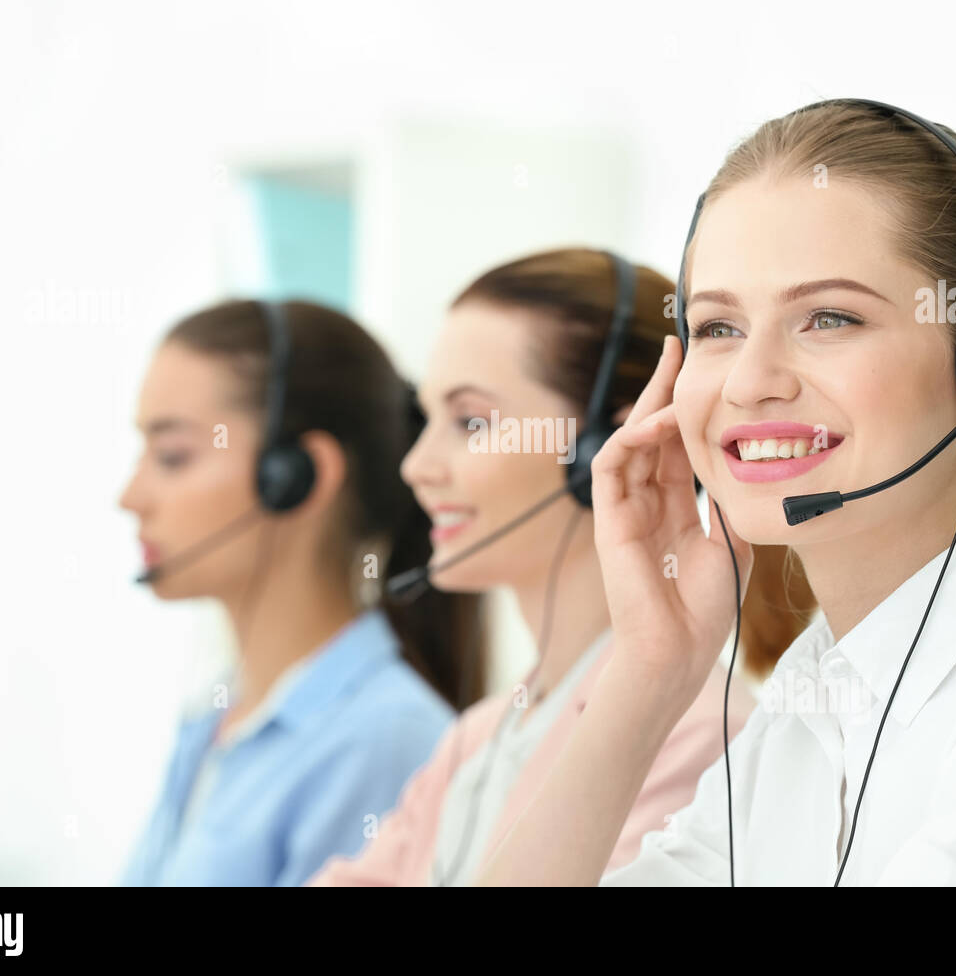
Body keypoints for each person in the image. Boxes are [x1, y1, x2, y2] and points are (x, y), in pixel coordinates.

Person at [473, 101, 956, 886]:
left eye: (829, 317)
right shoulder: (802, 715)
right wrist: (648, 670)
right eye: (718, 328)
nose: (750, 381)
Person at [307, 248, 818, 886]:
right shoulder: (478, 739)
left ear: (609, 448)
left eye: (470, 421)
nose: (416, 465)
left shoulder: (700, 739)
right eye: (426, 418)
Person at [117, 298, 484, 886]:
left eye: (172, 455)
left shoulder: (381, 741)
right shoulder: (217, 712)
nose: (130, 496)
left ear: (295, 476)